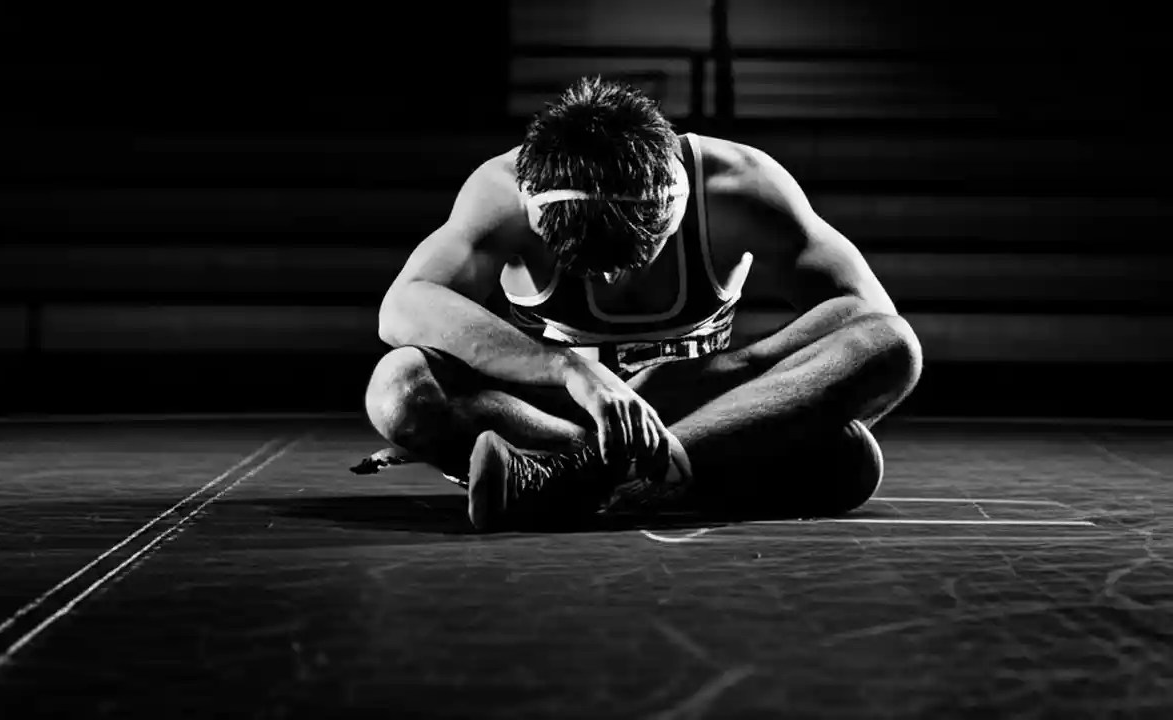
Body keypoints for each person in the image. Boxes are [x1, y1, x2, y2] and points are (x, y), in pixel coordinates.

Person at [363, 76, 922, 532]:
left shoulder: (739, 187)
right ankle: (669, 473)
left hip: (703, 404)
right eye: (583, 259)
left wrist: (705, 374)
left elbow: (860, 312)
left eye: (629, 256)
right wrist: (568, 368)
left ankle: (570, 478)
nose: (606, 275)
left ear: (674, 210)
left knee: (891, 342)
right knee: (400, 386)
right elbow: (404, 306)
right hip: (558, 411)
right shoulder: (503, 190)